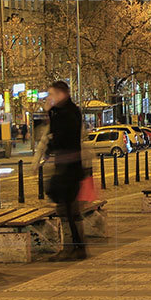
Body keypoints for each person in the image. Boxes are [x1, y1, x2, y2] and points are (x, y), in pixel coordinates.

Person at [33, 81, 88, 261]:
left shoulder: (67, 113)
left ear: (61, 94)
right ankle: (77, 248)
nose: (50, 98)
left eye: (52, 94)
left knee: (66, 209)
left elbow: (59, 136)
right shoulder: (70, 111)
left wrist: (50, 112)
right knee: (70, 209)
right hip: (70, 166)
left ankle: (72, 248)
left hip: (68, 168)